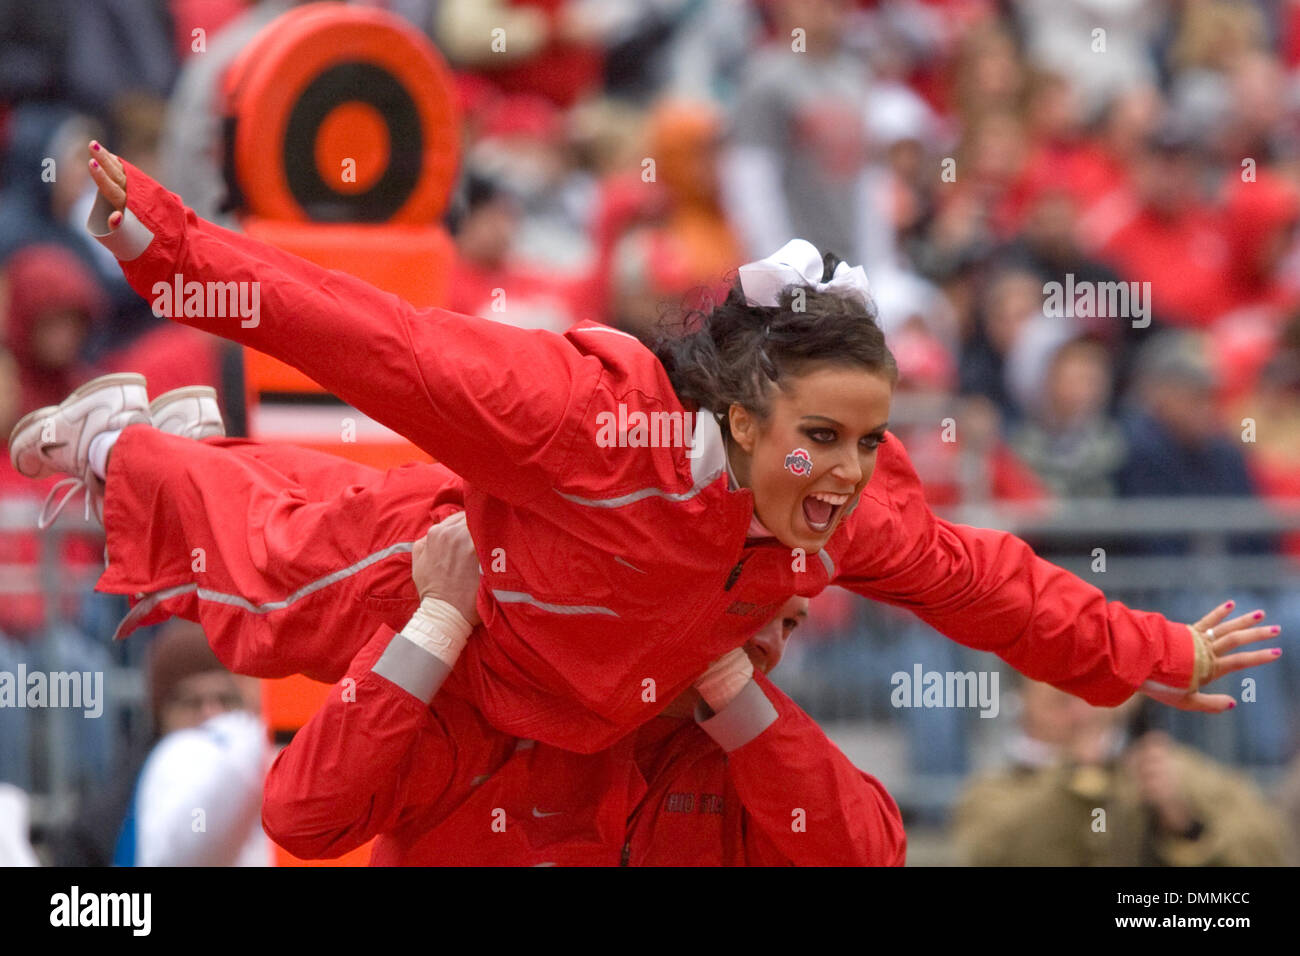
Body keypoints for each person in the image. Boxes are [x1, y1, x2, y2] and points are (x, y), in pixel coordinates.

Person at [12, 143, 1284, 758]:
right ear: (740, 418)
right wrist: (170, 247)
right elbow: (380, 343)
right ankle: (129, 445)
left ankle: (174, 451)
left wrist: (1153, 648)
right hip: (452, 596)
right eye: (820, 438)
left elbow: (993, 582)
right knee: (271, 585)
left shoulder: (853, 515)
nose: (844, 470)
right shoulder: (581, 419)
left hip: (584, 723)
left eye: (871, 439)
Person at [264, 517, 906, 866]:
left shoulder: (744, 751)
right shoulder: (479, 688)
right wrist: (438, 620)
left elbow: (866, 858)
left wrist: (718, 665)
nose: (771, 642)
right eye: (756, 607)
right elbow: (304, 819)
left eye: (790, 622)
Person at [951, 678, 1291, 866]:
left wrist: (1186, 826)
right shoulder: (993, 791)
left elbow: (1269, 851)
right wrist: (1074, 780)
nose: (1081, 717)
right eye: (1060, 703)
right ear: (1024, 706)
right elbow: (988, 854)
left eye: (1088, 696)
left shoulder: (1167, 768)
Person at [113, 618, 271, 867]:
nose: (211, 714)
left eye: (225, 699)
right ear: (160, 714)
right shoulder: (107, 818)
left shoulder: (274, 776)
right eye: (191, 702)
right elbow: (186, 852)